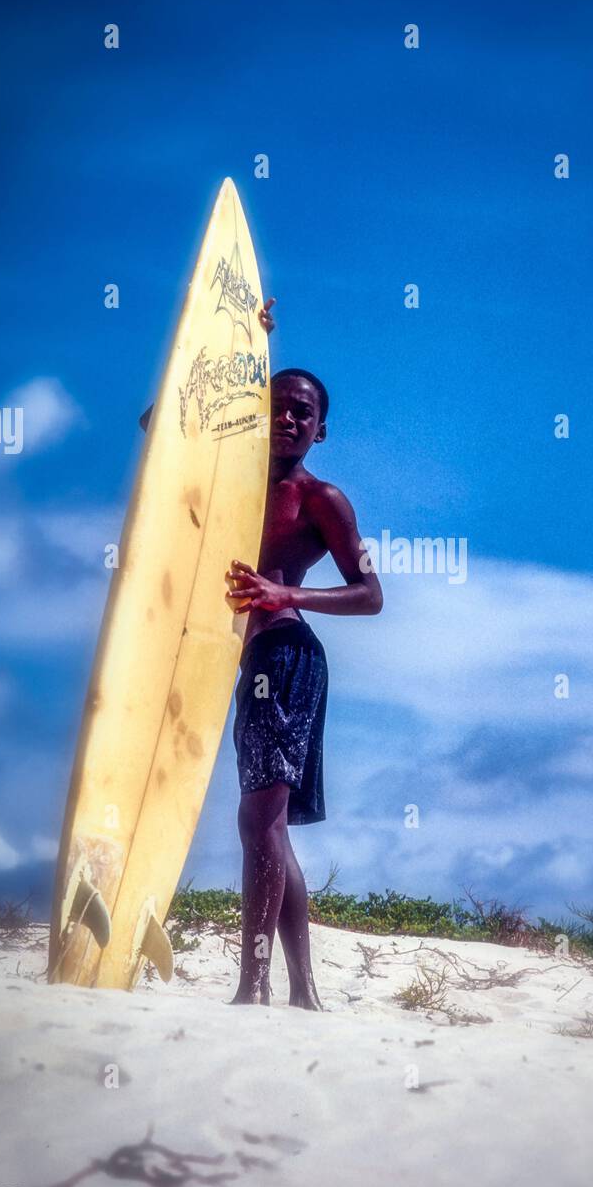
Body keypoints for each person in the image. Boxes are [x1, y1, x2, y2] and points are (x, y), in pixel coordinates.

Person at [222, 299, 383, 1009]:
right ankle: (304, 993)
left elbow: (371, 593)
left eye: (302, 412)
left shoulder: (323, 500)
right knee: (267, 823)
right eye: (277, 405)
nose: (287, 418)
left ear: (321, 429)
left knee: (258, 819)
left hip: (288, 661)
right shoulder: (228, 474)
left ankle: (255, 984)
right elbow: (158, 430)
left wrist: (290, 597)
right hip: (243, 664)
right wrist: (234, 343)